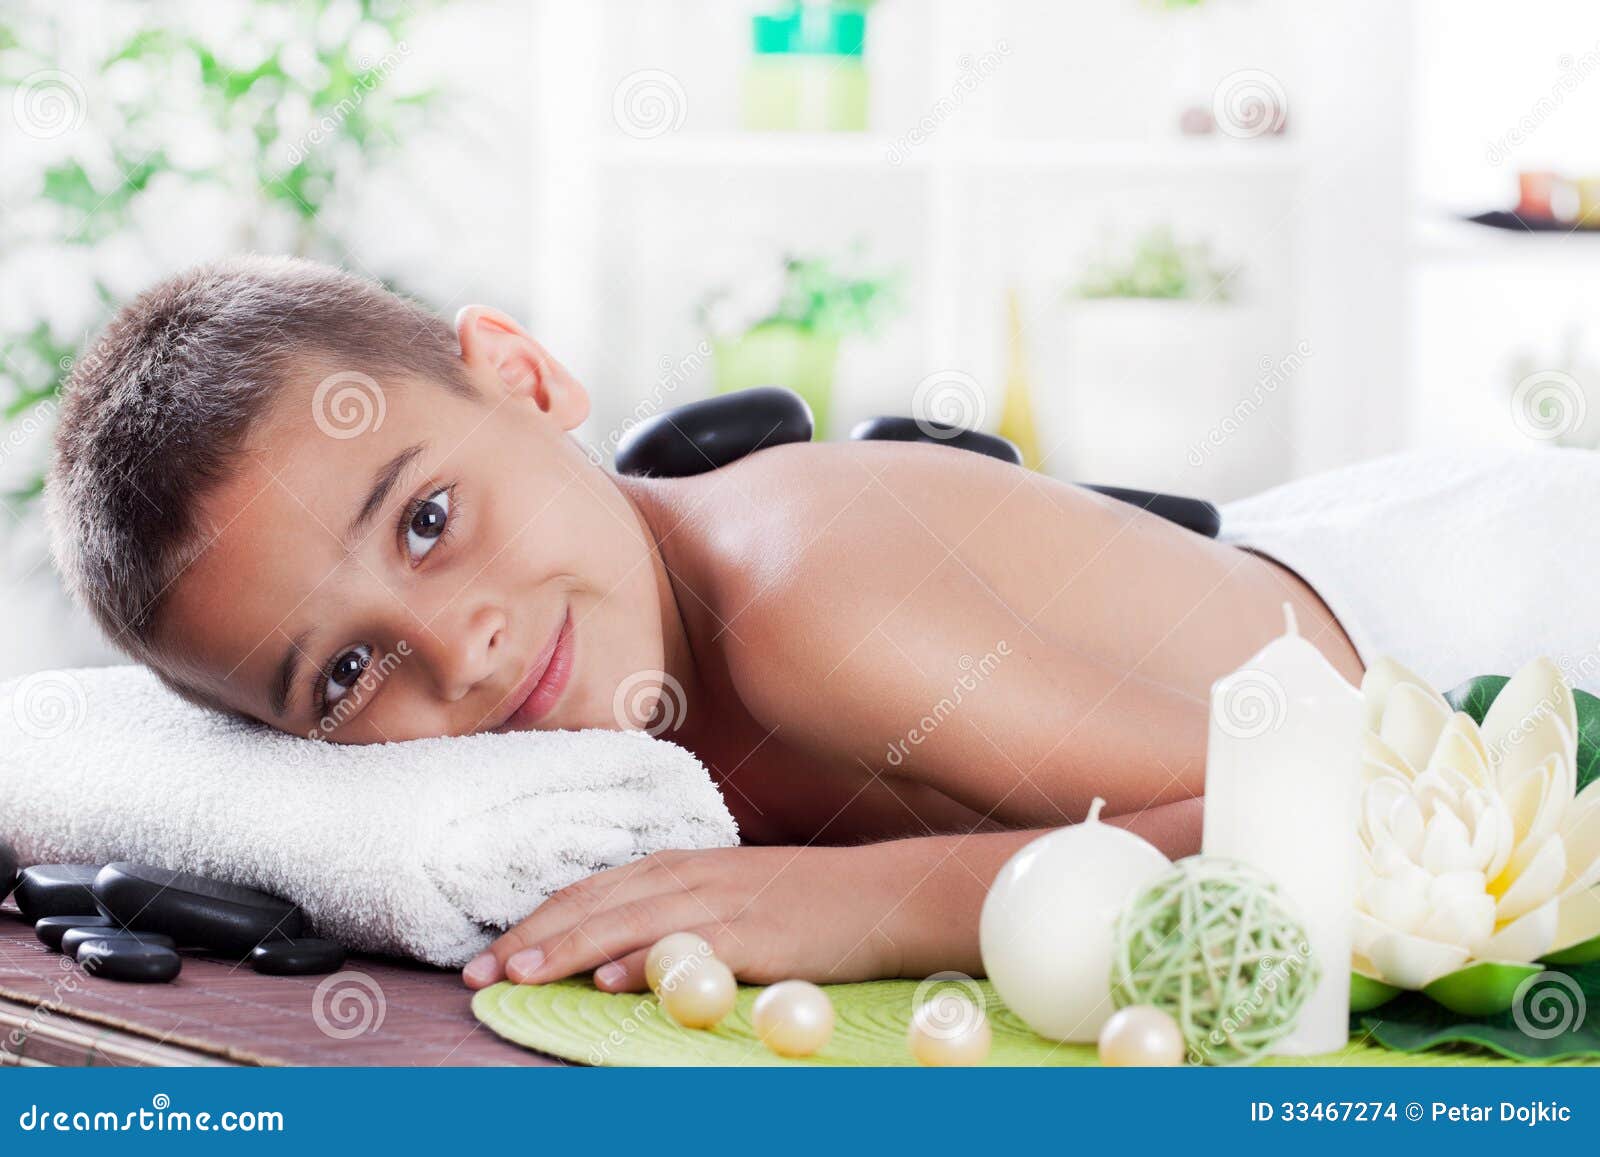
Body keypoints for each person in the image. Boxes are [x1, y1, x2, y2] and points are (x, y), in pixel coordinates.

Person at [50, 254, 1504, 997]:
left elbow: (1373, 810)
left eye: (427, 519)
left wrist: (880, 904)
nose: (462, 647)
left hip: (1474, 606)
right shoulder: (579, 773)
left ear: (526, 377)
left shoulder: (810, 605)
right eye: (349, 672)